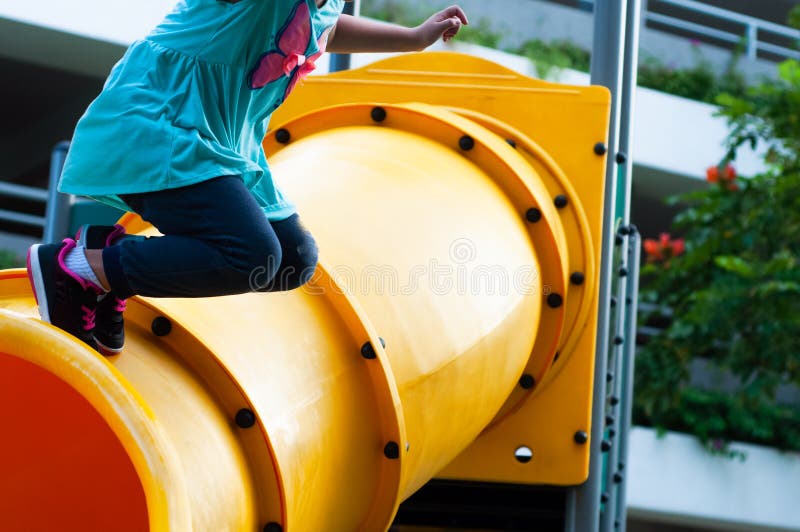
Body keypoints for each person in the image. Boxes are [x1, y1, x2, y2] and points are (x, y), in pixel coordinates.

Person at [26, 0, 468, 355]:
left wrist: (413, 38)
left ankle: (109, 263)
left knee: (293, 258)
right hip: (159, 123)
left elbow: (323, 25)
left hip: (224, 142)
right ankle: (85, 269)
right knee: (251, 255)